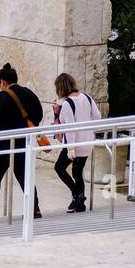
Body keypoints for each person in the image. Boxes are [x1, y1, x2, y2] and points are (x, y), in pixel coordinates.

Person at [0, 63, 42, 223]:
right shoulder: (29, 94)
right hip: (23, 142)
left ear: (2, 82)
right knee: (25, 176)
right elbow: (37, 115)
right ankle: (34, 209)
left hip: (2, 144)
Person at [51, 72, 99, 213]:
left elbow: (70, 129)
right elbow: (97, 117)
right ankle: (80, 202)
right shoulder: (87, 97)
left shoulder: (67, 104)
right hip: (87, 142)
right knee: (77, 172)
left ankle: (76, 195)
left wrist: (70, 149)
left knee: (59, 168)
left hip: (74, 145)